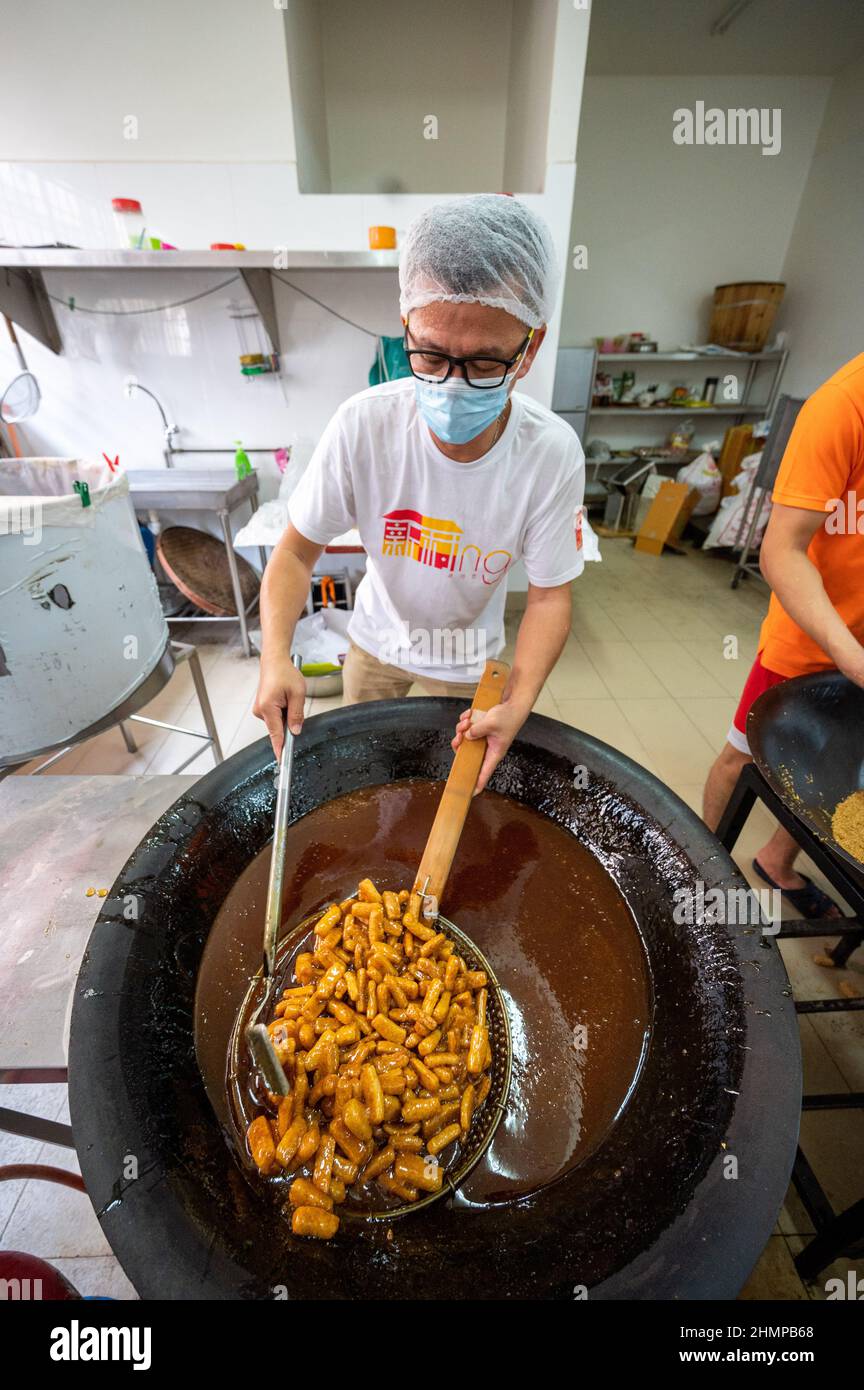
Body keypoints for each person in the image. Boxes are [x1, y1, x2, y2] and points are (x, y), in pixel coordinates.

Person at [254, 195, 585, 792]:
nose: (452, 387)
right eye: (430, 355)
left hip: (470, 660)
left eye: (485, 363)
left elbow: (548, 597)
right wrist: (275, 655)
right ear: (406, 327)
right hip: (376, 644)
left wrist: (521, 699)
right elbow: (296, 552)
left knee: (456, 792)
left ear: (529, 349)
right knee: (368, 784)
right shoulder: (364, 426)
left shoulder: (549, 452)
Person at [703, 353, 864, 917]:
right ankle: (702, 873)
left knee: (844, 772)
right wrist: (850, 656)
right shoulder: (842, 407)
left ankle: (776, 859)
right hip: (815, 636)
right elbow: (781, 549)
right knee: (741, 757)